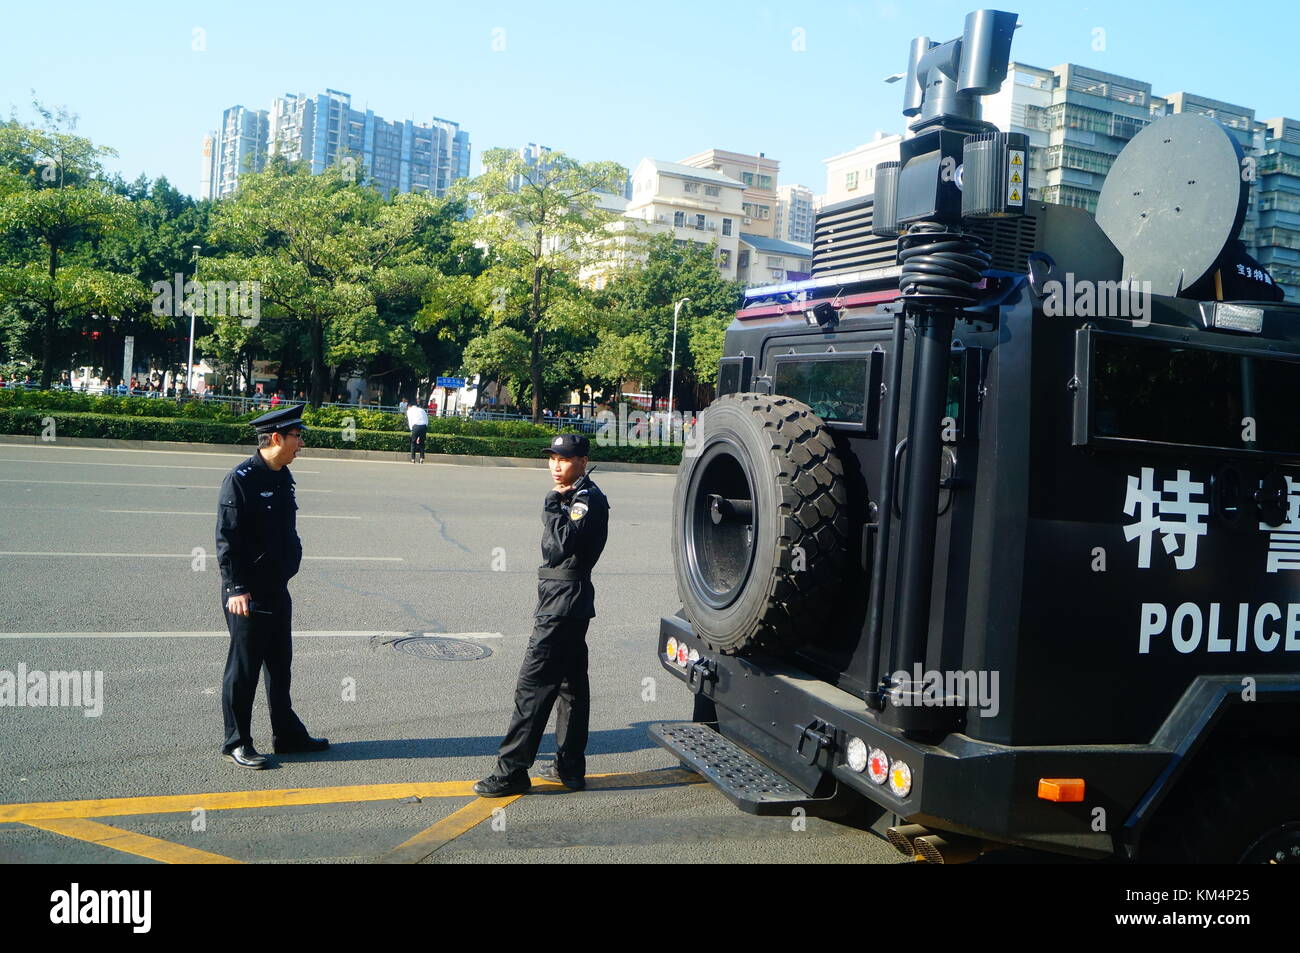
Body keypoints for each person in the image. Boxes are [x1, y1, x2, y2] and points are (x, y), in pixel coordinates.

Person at [475, 433, 610, 796]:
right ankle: (570, 769)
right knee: (571, 687)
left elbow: (559, 546)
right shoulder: (578, 495)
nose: (555, 466)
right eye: (552, 458)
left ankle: (511, 772)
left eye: (563, 459)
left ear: (583, 461)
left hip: (562, 603)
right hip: (567, 599)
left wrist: (552, 504)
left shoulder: (585, 499)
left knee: (532, 687)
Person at [215, 405, 328, 768]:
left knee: (280, 667)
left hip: (277, 588)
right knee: (244, 670)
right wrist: (235, 588)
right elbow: (227, 538)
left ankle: (287, 734)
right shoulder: (241, 479)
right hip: (247, 593)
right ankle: (236, 742)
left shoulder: (282, 475)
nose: (302, 444)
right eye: (297, 437)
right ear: (276, 438)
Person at [406, 399, 429, 463]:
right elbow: (426, 419)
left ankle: (413, 458)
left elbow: (410, 421)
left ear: (409, 406)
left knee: (413, 442)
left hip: (416, 426)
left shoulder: (409, 411)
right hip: (424, 426)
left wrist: (411, 429)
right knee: (422, 443)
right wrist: (425, 427)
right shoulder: (422, 410)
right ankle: (421, 458)